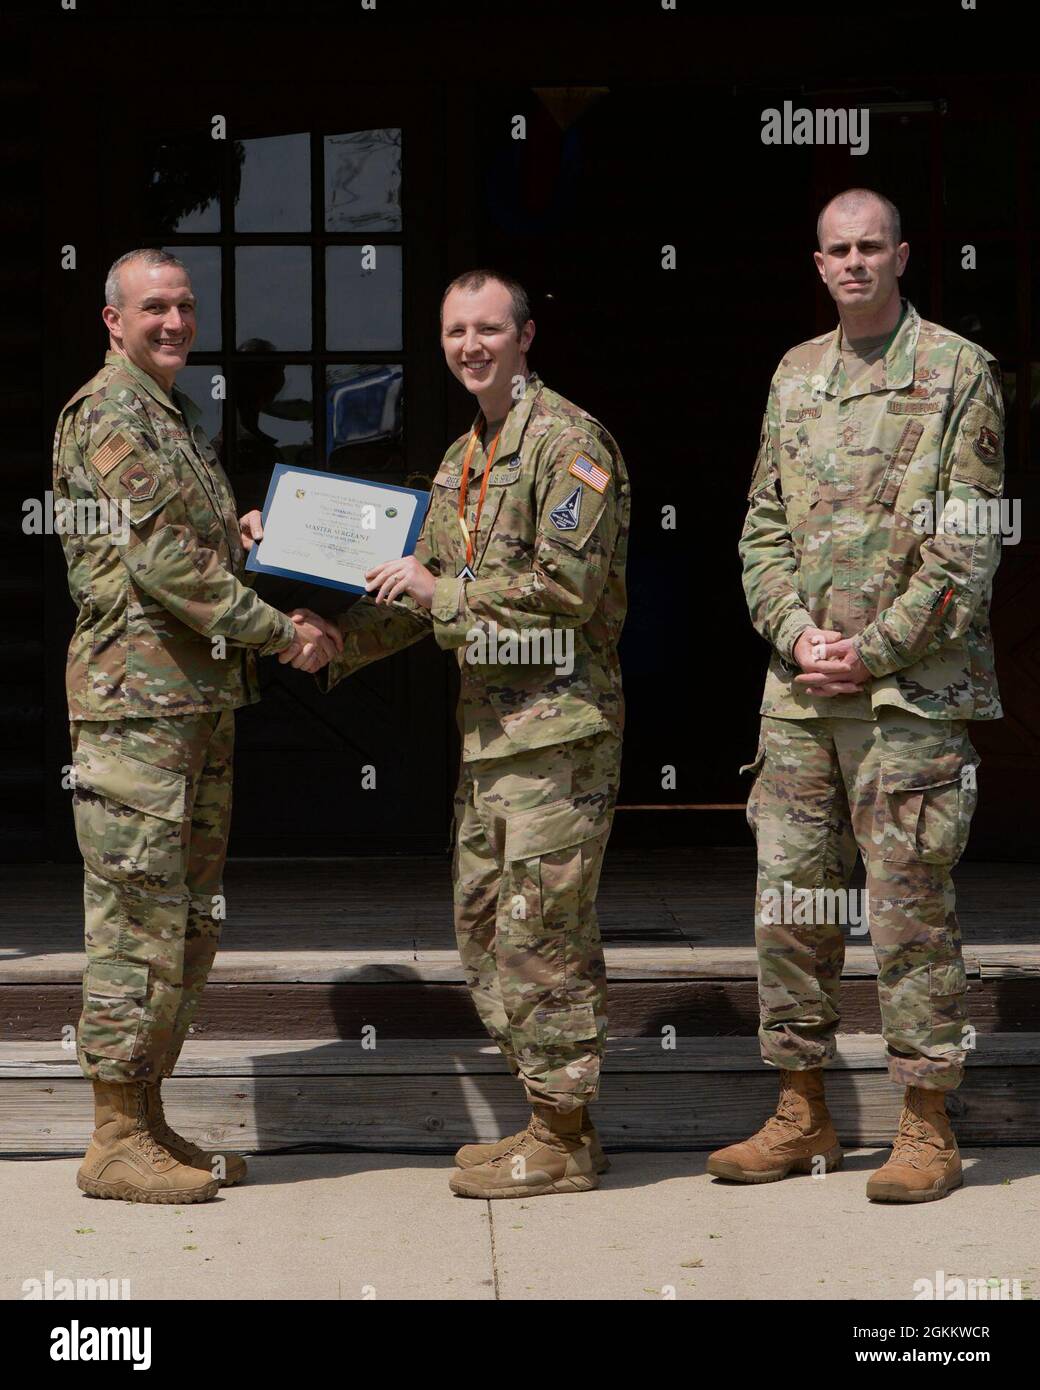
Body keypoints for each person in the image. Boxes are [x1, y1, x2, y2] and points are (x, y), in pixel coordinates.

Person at [254, 269, 630, 1198]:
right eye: (456, 330)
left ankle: (565, 1136)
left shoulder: (570, 444)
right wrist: (329, 634)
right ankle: (546, 1119)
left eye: (489, 328)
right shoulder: (464, 457)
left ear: (526, 335)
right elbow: (411, 587)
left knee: (543, 936)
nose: (472, 345)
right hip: (489, 741)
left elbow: (568, 596)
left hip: (556, 739)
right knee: (480, 932)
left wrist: (442, 593)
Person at [708, 189, 1004, 1202]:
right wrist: (795, 633)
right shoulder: (794, 376)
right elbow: (757, 529)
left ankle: (925, 1126)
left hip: (906, 703)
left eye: (869, 247)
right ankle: (800, 1111)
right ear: (817, 263)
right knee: (788, 907)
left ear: (902, 256)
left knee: (909, 912)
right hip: (796, 700)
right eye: (835, 250)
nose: (852, 263)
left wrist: (869, 651)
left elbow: (964, 548)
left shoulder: (959, 373)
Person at [52, 248, 339, 1204]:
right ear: (113, 321)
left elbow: (193, 545)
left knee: (185, 924)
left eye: (183, 306)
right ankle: (112, 1138)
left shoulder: (172, 418)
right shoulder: (107, 415)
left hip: (194, 708)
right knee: (134, 921)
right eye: (153, 308)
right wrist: (277, 633)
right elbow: (162, 564)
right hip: (137, 714)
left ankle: (146, 1110)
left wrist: (251, 535)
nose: (173, 321)